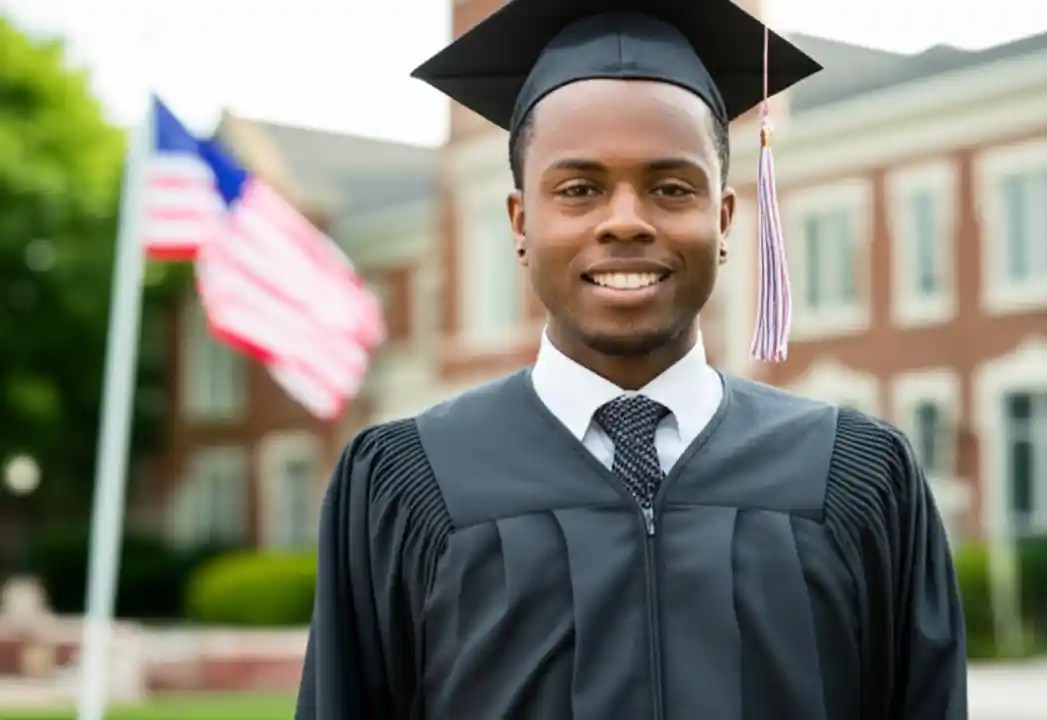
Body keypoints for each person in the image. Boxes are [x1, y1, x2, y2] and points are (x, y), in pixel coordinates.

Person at [294, 0, 968, 717]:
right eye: (579, 190)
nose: (625, 220)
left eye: (671, 188)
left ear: (725, 219)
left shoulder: (855, 477)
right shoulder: (409, 484)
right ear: (522, 223)